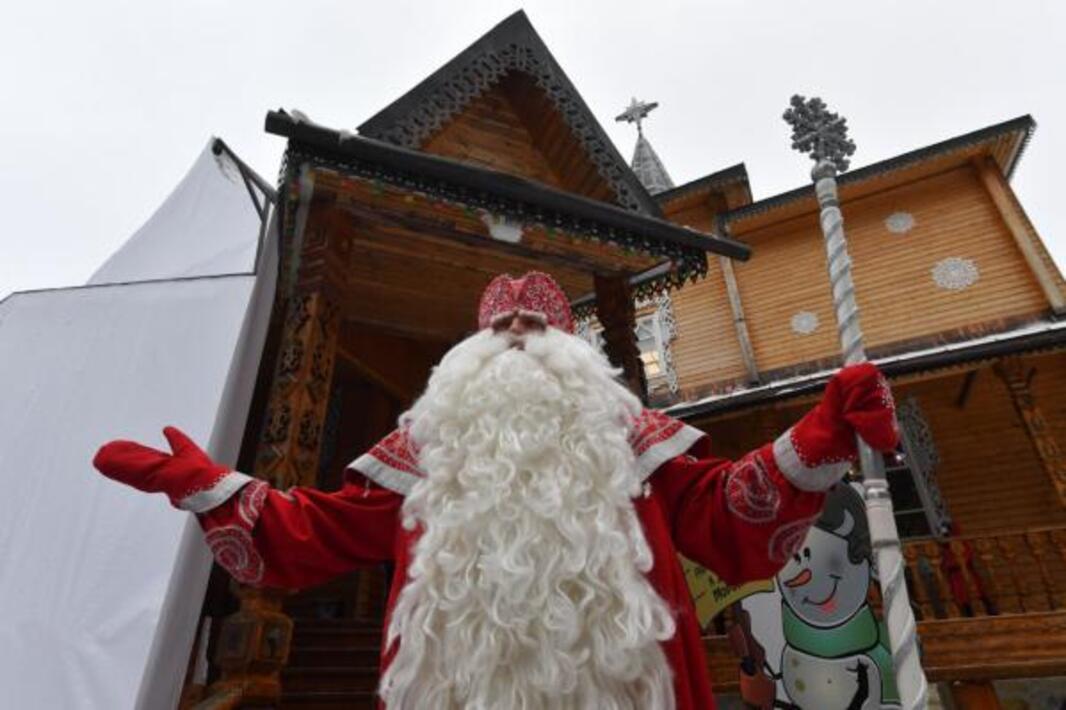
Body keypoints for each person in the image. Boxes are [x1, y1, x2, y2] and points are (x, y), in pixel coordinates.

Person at [93, 272, 900, 710]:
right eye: (500, 332)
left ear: (579, 358)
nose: (518, 339)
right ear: (464, 363)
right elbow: (316, 535)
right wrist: (210, 488)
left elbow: (729, 519)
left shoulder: (633, 445)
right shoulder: (421, 457)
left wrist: (818, 438)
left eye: (539, 331)